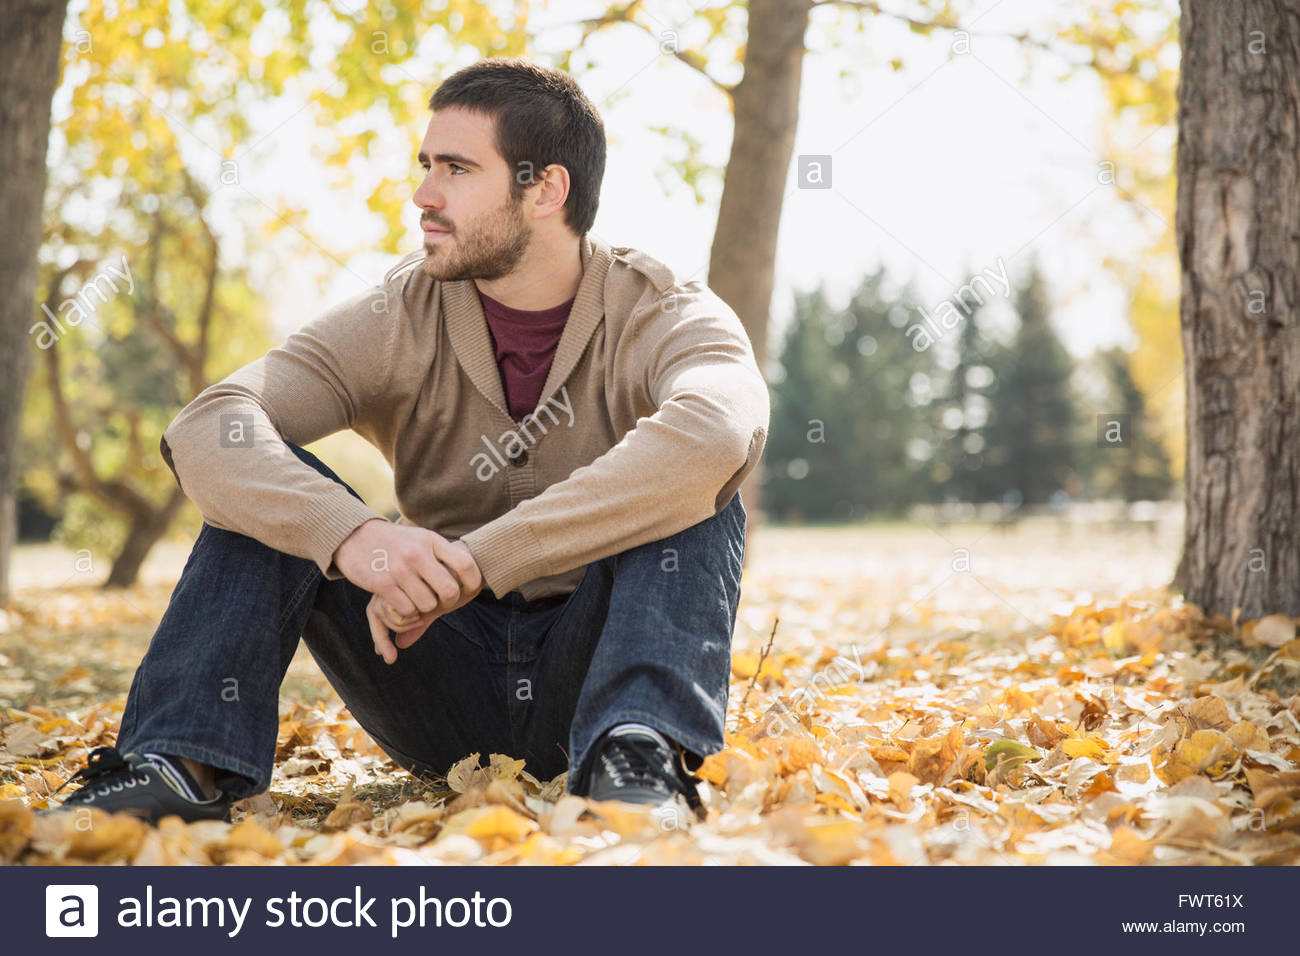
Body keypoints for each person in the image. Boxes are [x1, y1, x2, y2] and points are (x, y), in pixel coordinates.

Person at [45, 57, 769, 824]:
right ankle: (175, 762)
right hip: (430, 682)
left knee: (696, 490)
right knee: (268, 485)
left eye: (456, 168)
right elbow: (207, 424)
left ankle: (638, 756)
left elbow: (717, 429)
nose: (424, 194)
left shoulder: (663, 311)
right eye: (426, 166)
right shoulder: (397, 316)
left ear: (546, 189)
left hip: (593, 676)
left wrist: (483, 557)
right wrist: (354, 536)